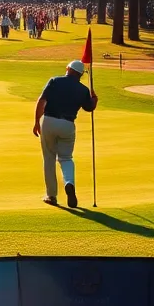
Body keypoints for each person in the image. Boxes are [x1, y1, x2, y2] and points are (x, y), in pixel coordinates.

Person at [33, 60, 98, 209]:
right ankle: (69, 183)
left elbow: (42, 101)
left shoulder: (55, 81)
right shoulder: (83, 90)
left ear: (68, 69)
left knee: (49, 158)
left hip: (49, 121)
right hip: (68, 125)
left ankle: (51, 196)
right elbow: (89, 108)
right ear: (81, 74)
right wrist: (94, 100)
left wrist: (37, 121)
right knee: (66, 158)